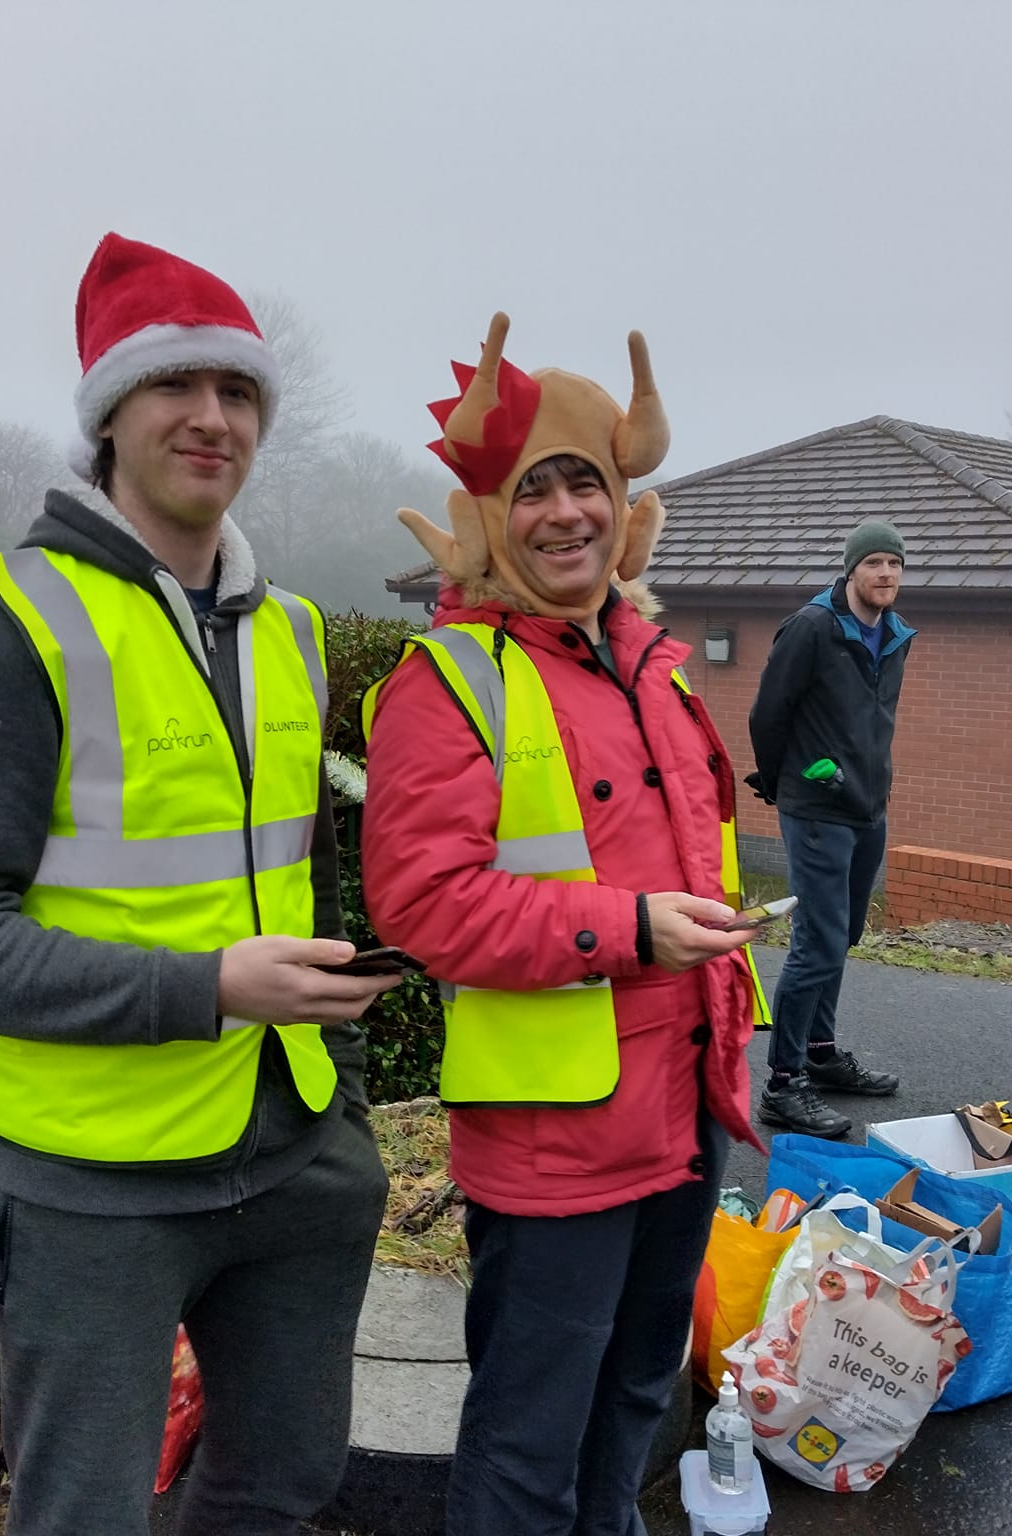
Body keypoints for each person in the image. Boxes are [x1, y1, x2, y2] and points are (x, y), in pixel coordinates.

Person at [0, 233, 399, 1536]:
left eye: (239, 395)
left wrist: (322, 990)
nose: (212, 419)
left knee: (281, 1485)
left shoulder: (290, 631)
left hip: (291, 1159)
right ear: (110, 416)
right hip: (89, 1187)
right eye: (176, 388)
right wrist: (209, 987)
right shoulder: (18, 630)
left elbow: (282, 874)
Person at [360, 313, 764, 1536]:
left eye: (583, 481)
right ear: (492, 520)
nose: (563, 513)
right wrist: (634, 929)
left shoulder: (657, 667)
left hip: (685, 1113)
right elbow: (423, 903)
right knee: (528, 1441)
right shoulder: (448, 682)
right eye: (530, 492)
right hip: (554, 1144)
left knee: (636, 1398)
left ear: (620, 499)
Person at [745, 519, 914, 1138]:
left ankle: (820, 1053)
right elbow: (768, 712)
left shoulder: (894, 635)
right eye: (874, 564)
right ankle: (783, 1085)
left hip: (867, 805)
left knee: (840, 936)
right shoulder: (813, 628)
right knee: (816, 942)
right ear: (851, 571)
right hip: (816, 805)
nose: (887, 575)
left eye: (895, 565)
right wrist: (785, 780)